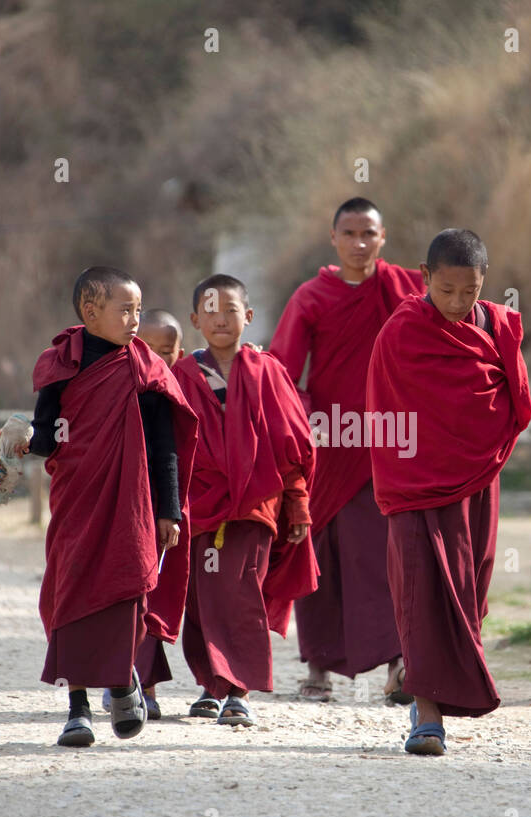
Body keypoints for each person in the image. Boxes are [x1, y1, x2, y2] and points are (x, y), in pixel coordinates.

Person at [367, 229, 531, 756]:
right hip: (416, 487)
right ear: (424, 278)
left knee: (466, 593)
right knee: (420, 594)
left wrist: (479, 446)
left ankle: (414, 681)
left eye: (470, 290)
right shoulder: (403, 331)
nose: (458, 303)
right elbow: (386, 415)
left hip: (478, 483)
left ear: (485, 283)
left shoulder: (499, 328)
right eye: (446, 291)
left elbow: (514, 404)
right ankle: (428, 716)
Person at [20, 267, 197, 747]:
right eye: (125, 310)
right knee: (71, 592)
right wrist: (20, 441)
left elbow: (165, 447)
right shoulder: (61, 366)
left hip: (133, 501)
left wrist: (169, 511)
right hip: (78, 497)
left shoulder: (146, 371)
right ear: (90, 312)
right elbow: (45, 435)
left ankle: (122, 685)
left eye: (138, 309)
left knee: (125, 590)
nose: (135, 319)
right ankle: (77, 708)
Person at [269, 197, 424, 704]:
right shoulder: (311, 296)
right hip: (332, 442)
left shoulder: (406, 290)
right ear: (332, 238)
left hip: (391, 441)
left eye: (369, 234)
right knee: (323, 554)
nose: (360, 243)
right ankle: (318, 665)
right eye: (350, 234)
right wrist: (306, 420)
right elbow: (282, 372)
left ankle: (401, 662)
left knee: (390, 553)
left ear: (384, 237)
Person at [159, 274, 317, 728]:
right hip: (201, 505)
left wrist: (298, 505)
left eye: (230, 309)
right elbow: (171, 445)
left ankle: (239, 689)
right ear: (194, 321)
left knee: (242, 591)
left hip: (256, 504)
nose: (220, 318)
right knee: (205, 595)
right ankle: (212, 683)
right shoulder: (183, 376)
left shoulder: (267, 372)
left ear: (248, 317)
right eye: (209, 310)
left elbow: (292, 445)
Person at [102, 306, 186, 719]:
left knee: (145, 596)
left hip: (152, 509)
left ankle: (144, 686)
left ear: (180, 352)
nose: (156, 356)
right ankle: (116, 677)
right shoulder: (112, 379)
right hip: (111, 502)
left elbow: (169, 453)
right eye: (147, 347)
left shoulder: (166, 391)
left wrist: (170, 512)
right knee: (115, 594)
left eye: (166, 350)